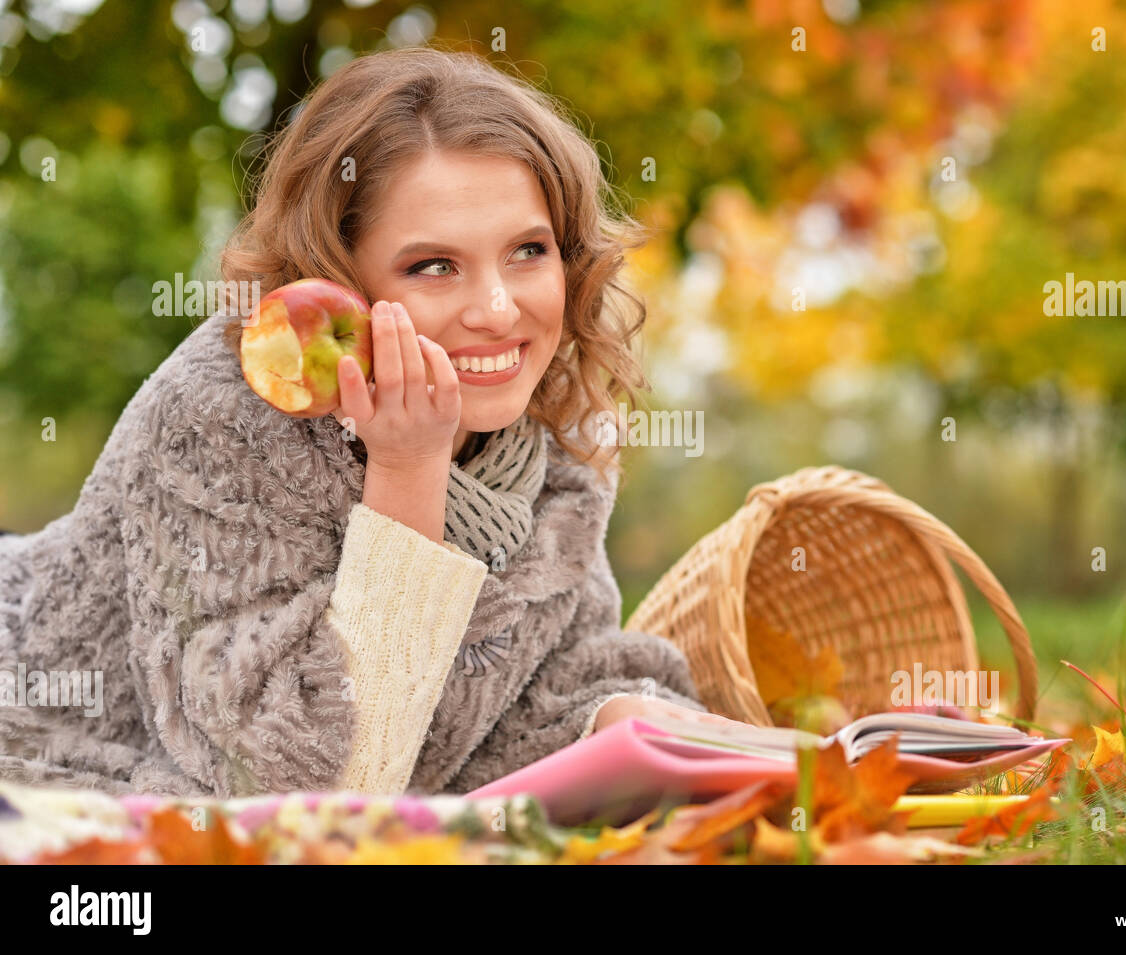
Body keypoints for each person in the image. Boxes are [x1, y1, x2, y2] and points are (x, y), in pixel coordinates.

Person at [0, 45, 742, 800]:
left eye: (528, 251)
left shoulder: (545, 461)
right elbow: (291, 787)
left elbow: (519, 714)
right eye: (434, 266)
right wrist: (407, 472)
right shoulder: (220, 417)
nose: (496, 309)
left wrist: (659, 725)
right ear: (336, 280)